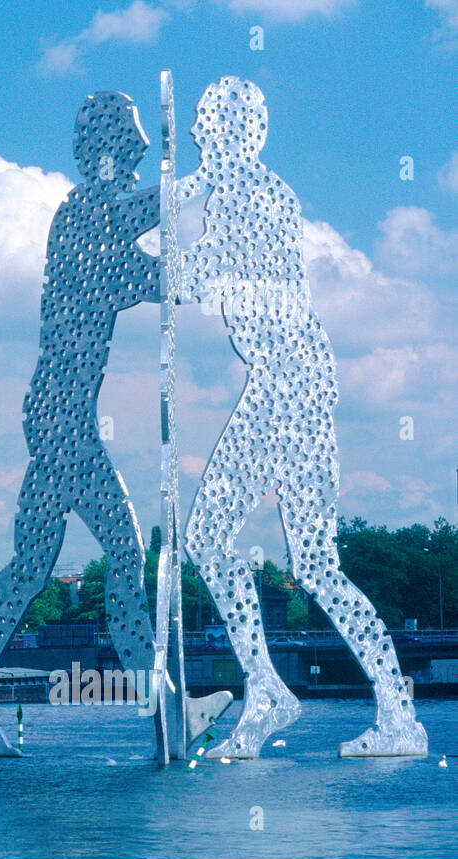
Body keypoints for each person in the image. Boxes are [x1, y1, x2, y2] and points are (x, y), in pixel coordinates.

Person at [177, 77, 426, 758]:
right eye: (197, 126)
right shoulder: (241, 192)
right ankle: (286, 699)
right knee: (306, 562)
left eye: (207, 127)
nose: (199, 137)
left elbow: (196, 276)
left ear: (236, 135)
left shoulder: (248, 197)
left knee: (227, 543)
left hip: (288, 387)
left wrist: (148, 241)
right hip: (291, 384)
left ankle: (280, 695)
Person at [0, 92, 170, 756]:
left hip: (56, 416)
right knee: (125, 556)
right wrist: (199, 191)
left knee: (31, 568)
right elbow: (138, 266)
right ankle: (161, 707)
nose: (140, 154)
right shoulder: (82, 215)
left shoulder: (99, 218)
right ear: (107, 149)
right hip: (62, 419)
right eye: (131, 144)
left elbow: (144, 268)